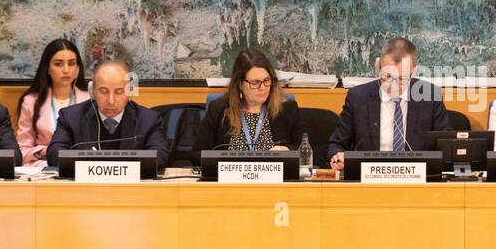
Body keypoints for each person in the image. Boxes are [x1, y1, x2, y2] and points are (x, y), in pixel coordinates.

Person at [327, 37, 449, 170]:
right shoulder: (358, 97)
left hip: (417, 180)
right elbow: (335, 144)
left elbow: (445, 144)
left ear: (414, 72)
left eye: (402, 79)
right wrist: (337, 157)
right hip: (368, 179)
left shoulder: (430, 96)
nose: (393, 85)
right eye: (387, 76)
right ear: (378, 67)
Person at [45, 60, 169, 165]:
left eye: (119, 92)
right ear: (92, 91)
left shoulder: (148, 119)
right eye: (103, 91)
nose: (111, 101)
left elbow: (160, 156)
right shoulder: (71, 117)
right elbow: (54, 154)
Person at [192, 48, 302, 161]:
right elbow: (197, 154)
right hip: (231, 177)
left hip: (273, 177)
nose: (263, 88)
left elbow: (304, 152)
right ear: (240, 84)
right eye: (255, 83)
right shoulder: (219, 109)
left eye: (266, 80)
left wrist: (287, 150)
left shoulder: (287, 109)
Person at [15, 39, 90, 166]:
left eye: (71, 64)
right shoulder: (31, 101)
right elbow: (21, 149)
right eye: (58, 64)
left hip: (81, 166)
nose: (66, 70)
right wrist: (46, 151)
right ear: (48, 68)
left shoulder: (90, 100)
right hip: (42, 167)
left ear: (78, 68)